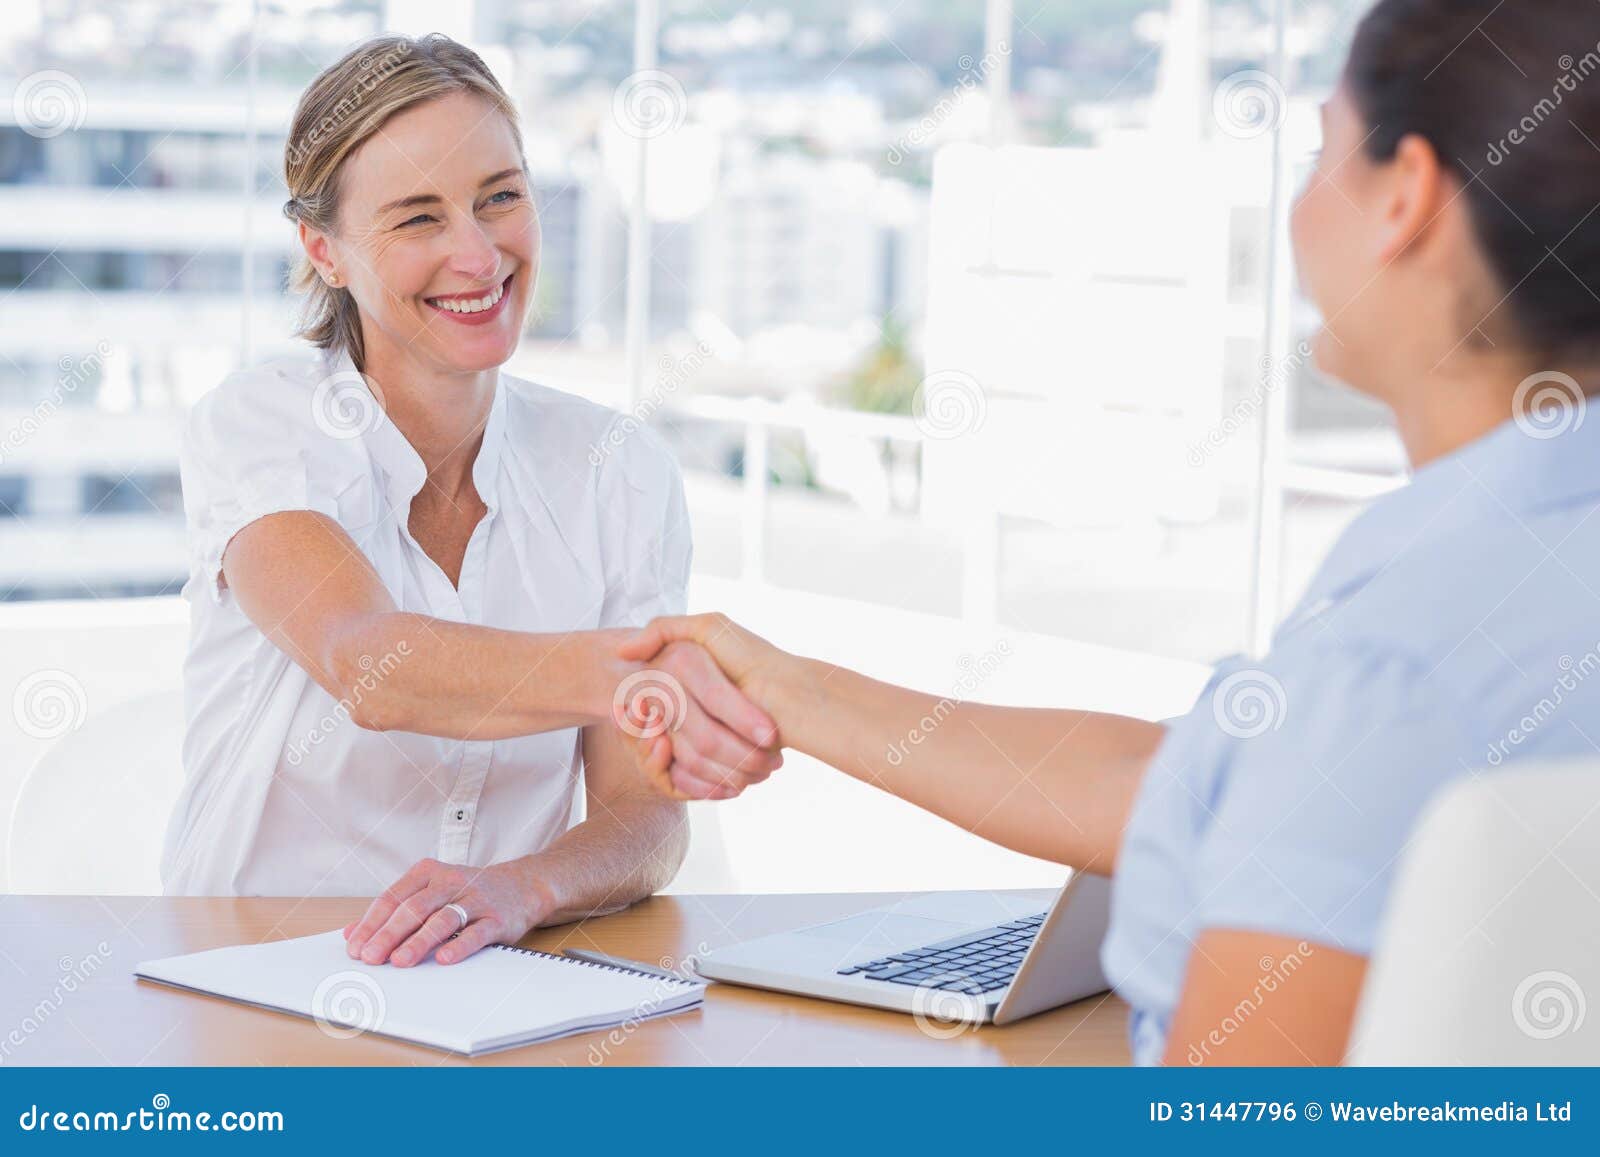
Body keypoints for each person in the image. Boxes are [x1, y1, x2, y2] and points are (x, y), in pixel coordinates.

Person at [621, 0, 1600, 1064]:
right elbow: (1205, 782)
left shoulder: (1387, 669)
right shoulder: (1507, 582)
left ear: (1403, 197)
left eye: (1322, 153)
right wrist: (785, 689)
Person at [160, 34, 780, 970]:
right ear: (325, 251)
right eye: (418, 218)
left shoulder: (618, 469)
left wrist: (523, 887)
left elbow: (645, 817)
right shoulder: (263, 424)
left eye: (500, 196)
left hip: (497, 977)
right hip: (245, 975)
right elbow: (370, 665)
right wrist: (649, 680)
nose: (479, 253)